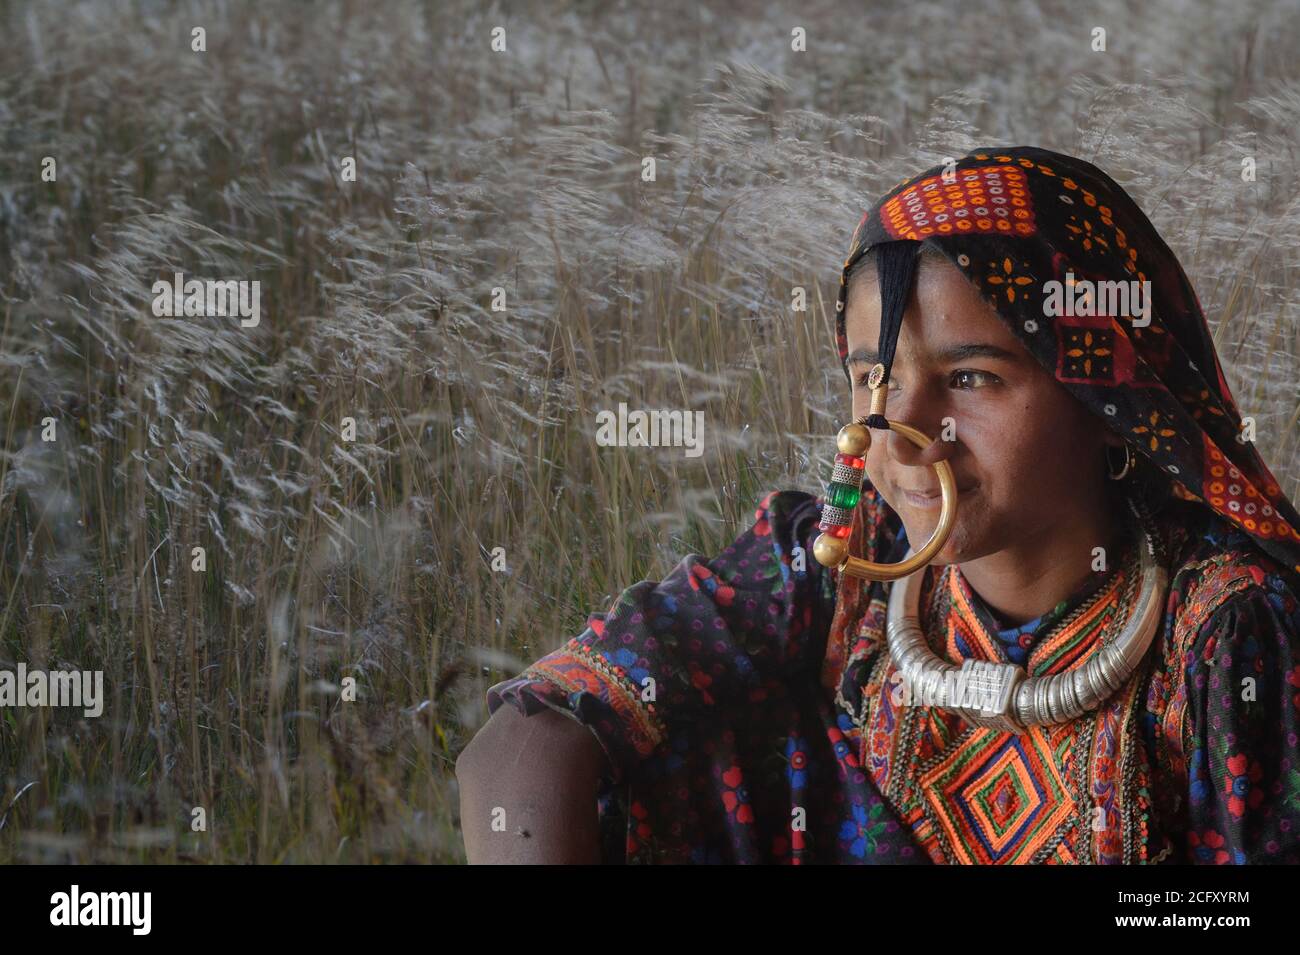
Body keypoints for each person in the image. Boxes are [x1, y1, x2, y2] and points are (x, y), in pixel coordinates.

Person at [456, 146, 1300, 864]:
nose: (902, 432)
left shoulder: (1226, 630)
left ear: (1110, 394)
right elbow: (536, 735)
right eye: (876, 377)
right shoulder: (830, 565)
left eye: (972, 378)